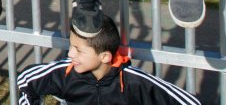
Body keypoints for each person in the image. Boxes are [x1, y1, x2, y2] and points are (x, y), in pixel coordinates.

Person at [17, 14, 201, 104]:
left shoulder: (133, 82)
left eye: (78, 50)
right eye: (71, 47)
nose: (71, 54)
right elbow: (26, 81)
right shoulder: (66, 74)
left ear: (105, 56)